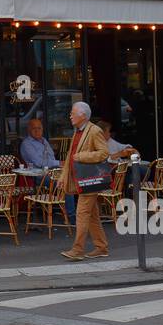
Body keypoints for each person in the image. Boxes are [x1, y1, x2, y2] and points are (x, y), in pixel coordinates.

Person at [59, 101, 110, 262]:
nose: (70, 115)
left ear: (82, 115)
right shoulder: (78, 131)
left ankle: (78, 249)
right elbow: (70, 155)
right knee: (92, 215)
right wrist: (63, 175)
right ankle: (101, 247)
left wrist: (82, 156)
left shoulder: (94, 131)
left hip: (90, 180)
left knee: (81, 213)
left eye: (73, 112)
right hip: (80, 180)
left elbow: (104, 153)